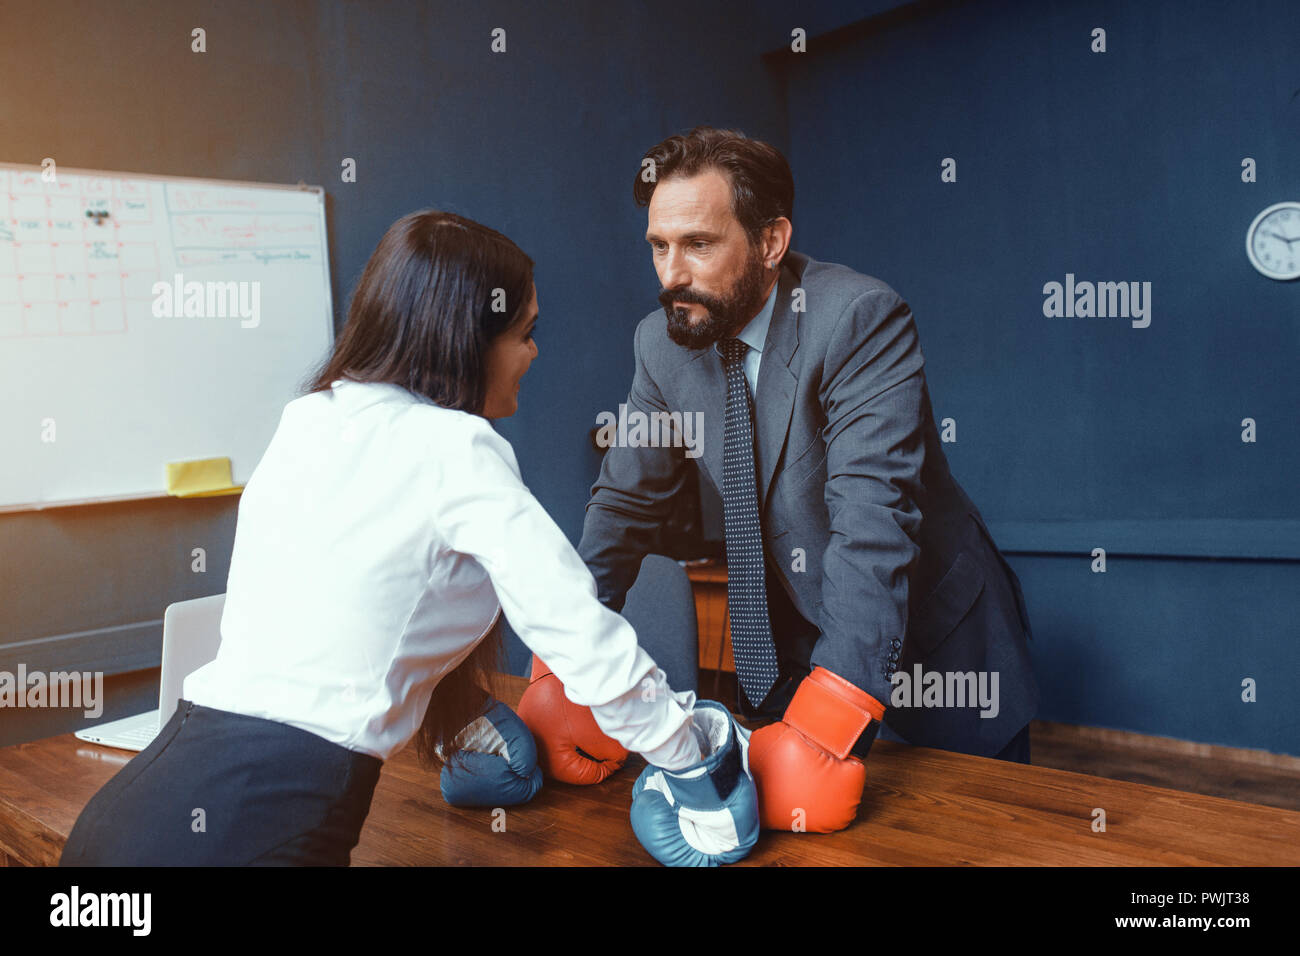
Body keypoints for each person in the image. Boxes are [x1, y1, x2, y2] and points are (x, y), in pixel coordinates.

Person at [59, 209, 726, 867]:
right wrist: (695, 762)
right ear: (468, 338)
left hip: (134, 808)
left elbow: (362, 613)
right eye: (525, 333)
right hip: (261, 823)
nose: (534, 352)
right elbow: (577, 631)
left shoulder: (311, 419)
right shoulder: (456, 447)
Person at [568, 127, 1041, 834]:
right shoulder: (659, 343)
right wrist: (565, 655)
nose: (671, 274)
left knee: (978, 839)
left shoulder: (858, 318)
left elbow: (872, 520)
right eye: (659, 247)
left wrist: (836, 709)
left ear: (770, 241)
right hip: (797, 649)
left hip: (935, 652)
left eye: (698, 244)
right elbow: (624, 502)